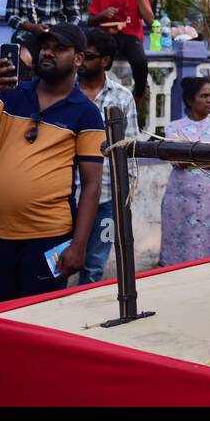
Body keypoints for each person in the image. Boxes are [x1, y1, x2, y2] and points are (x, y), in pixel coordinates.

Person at [0, 24, 104, 305]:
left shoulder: (86, 113)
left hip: (48, 238)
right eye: (45, 47)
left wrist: (79, 245)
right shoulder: (11, 94)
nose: (48, 53)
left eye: (59, 48)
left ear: (78, 59)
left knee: (37, 323)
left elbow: (91, 185)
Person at [75, 29, 138, 283]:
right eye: (80, 56)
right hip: (65, 197)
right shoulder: (65, 93)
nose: (81, 62)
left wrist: (125, 194)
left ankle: (83, 321)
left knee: (94, 268)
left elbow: (129, 149)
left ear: (105, 61)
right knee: (55, 265)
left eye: (88, 56)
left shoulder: (122, 97)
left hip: (107, 199)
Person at [160, 77, 210, 264]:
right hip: (181, 200)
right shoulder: (174, 127)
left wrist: (191, 155)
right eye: (204, 96)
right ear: (190, 100)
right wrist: (209, 156)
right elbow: (178, 161)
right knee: (181, 251)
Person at [87, 0, 153, 106]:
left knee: (140, 61)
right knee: (96, 58)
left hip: (130, 36)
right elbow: (90, 21)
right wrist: (102, 15)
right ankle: (94, 90)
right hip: (107, 34)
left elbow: (150, 20)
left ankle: (139, 95)